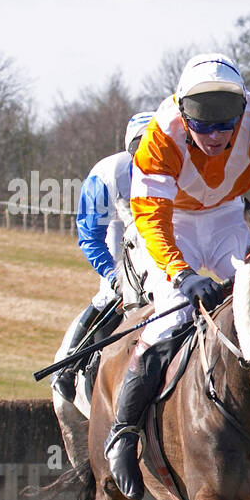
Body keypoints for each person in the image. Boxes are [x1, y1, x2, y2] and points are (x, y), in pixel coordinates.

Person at [105, 53, 250, 500]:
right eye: (204, 127)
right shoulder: (161, 134)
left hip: (231, 215)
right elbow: (150, 215)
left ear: (241, 111)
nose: (216, 136)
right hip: (174, 223)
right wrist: (181, 273)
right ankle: (125, 431)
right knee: (171, 317)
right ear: (184, 113)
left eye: (225, 126)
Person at [52, 111, 155, 401]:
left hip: (156, 229)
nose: (148, 155)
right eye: (140, 148)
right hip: (116, 225)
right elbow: (89, 236)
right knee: (112, 294)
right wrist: (112, 275)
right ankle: (69, 365)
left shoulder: (181, 169)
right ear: (129, 148)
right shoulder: (108, 174)